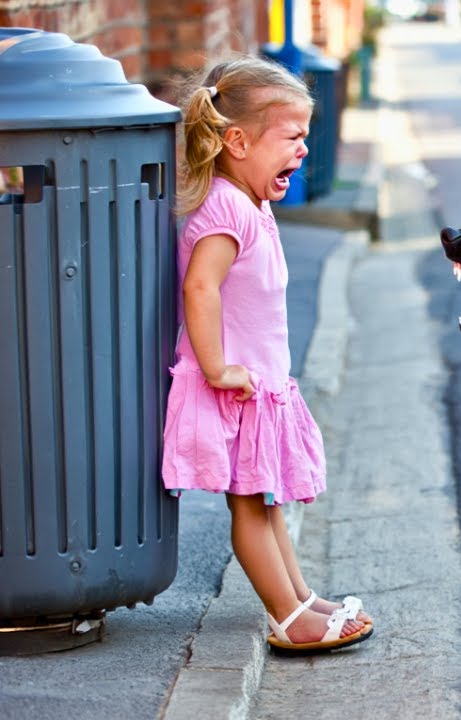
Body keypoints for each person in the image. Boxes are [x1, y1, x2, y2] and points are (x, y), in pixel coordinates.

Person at [166, 56, 374, 655]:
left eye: (306, 137)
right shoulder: (226, 208)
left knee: (267, 500)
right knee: (252, 507)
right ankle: (288, 617)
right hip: (234, 386)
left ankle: (301, 598)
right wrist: (216, 369)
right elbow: (200, 287)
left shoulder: (249, 202)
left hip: (258, 383)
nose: (303, 150)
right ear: (237, 141)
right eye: (292, 138)